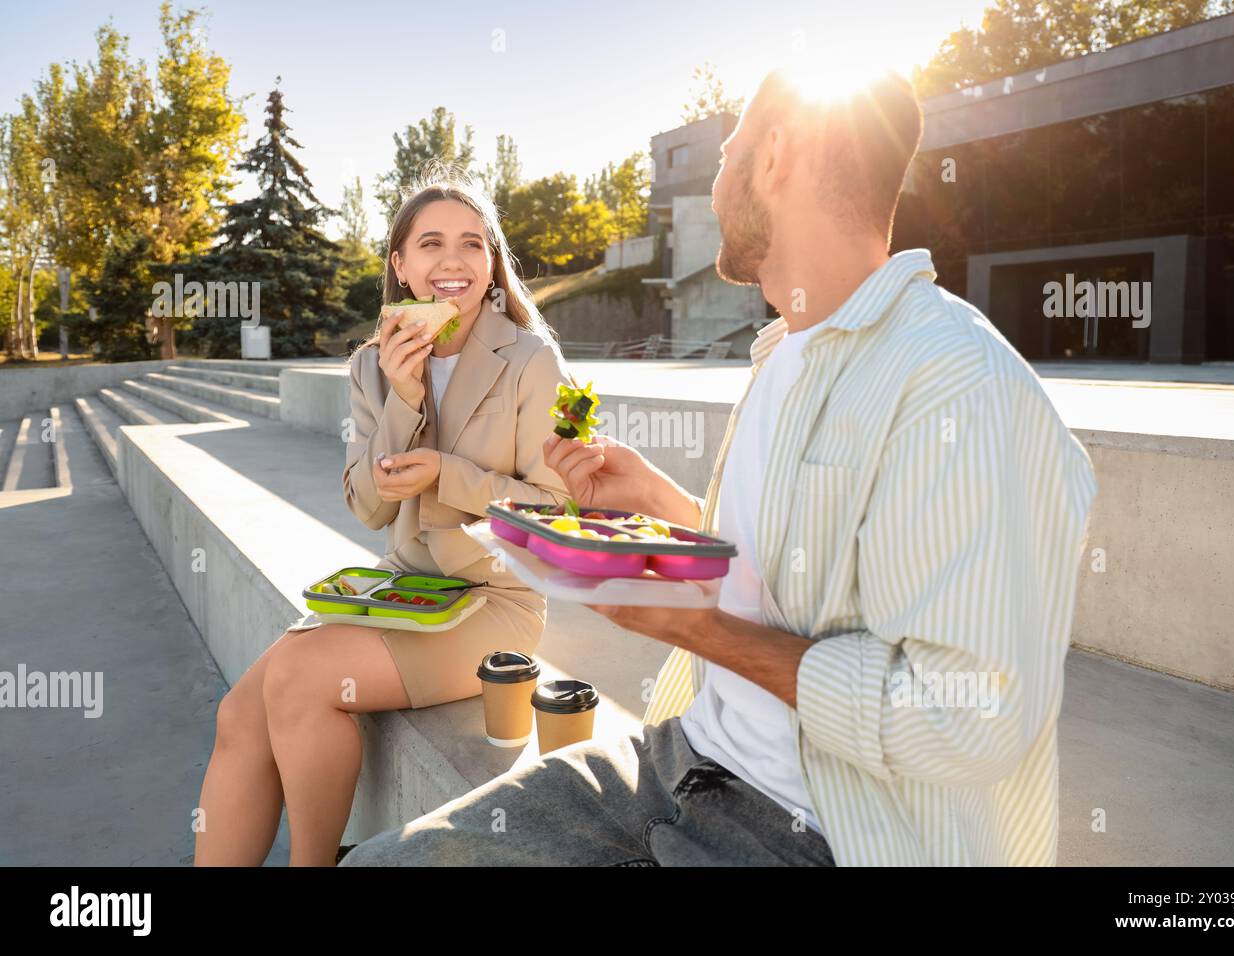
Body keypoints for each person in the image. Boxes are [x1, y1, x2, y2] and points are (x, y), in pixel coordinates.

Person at [341, 66, 1097, 867]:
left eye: (727, 155)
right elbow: (800, 579)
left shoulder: (958, 383)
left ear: (772, 158)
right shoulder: (786, 351)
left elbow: (967, 720)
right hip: (685, 760)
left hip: (829, 832)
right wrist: (663, 509)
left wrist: (698, 628)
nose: (712, 188)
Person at [193, 167, 571, 866]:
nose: (452, 260)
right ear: (400, 266)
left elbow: (558, 516)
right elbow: (368, 507)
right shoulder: (372, 365)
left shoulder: (529, 359)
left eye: (472, 244)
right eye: (430, 244)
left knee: (299, 675)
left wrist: (450, 476)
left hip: (497, 600)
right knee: (238, 715)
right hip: (405, 589)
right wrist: (402, 397)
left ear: (491, 267)